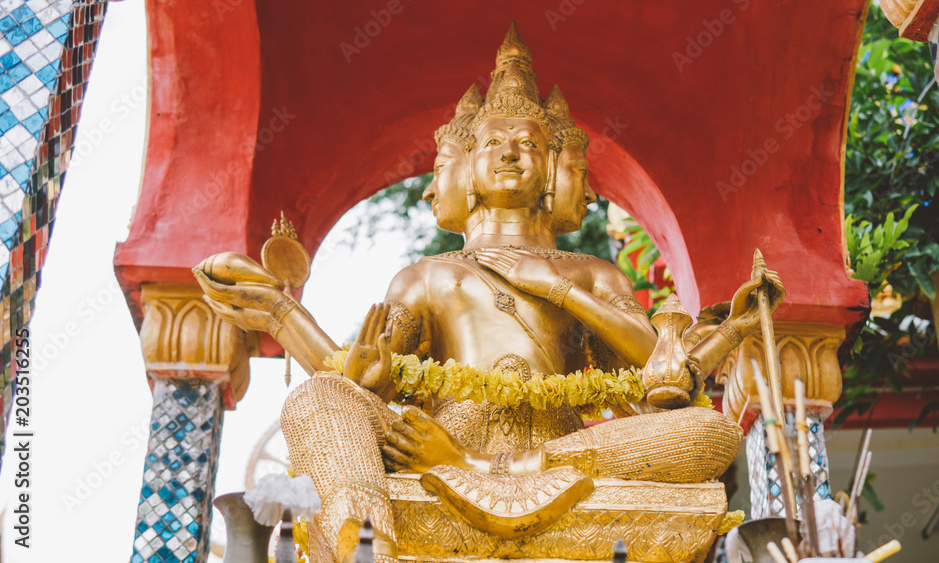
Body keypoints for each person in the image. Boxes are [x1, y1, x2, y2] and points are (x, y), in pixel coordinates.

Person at [194, 24, 783, 563]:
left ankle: (471, 474)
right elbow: (361, 375)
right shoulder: (427, 276)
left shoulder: (591, 274)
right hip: (432, 444)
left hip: (554, 454)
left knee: (709, 432)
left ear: (555, 169)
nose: (509, 153)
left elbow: (657, 373)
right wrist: (280, 311)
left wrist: (557, 288)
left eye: (528, 144)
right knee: (319, 398)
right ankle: (364, 541)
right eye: (493, 143)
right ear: (464, 168)